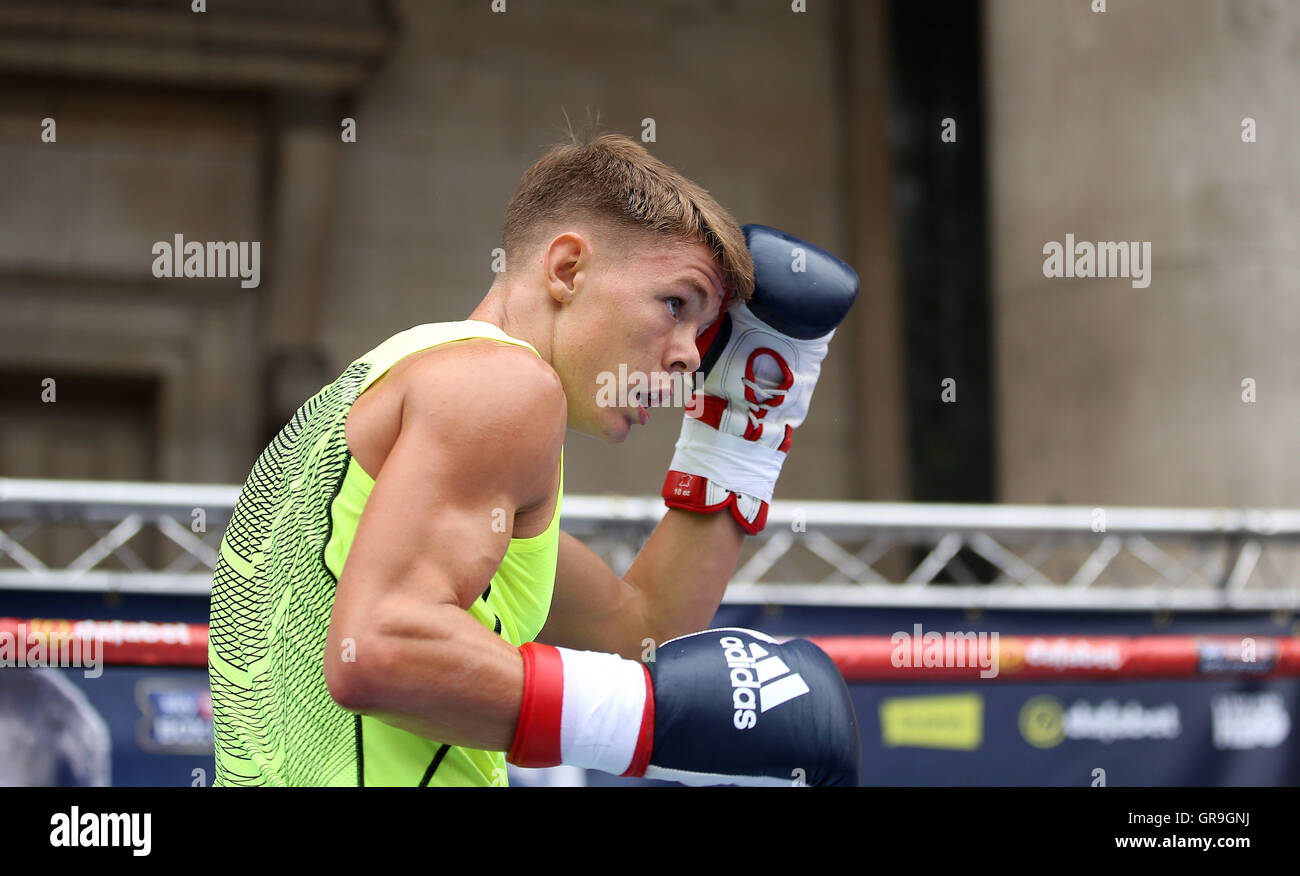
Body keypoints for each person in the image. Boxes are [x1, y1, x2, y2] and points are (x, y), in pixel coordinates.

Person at [209, 131, 860, 787]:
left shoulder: (384, 386)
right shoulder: (504, 387)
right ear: (567, 269)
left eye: (703, 331)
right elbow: (380, 650)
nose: (691, 356)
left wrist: (744, 430)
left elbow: (638, 632)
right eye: (674, 305)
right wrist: (639, 721)